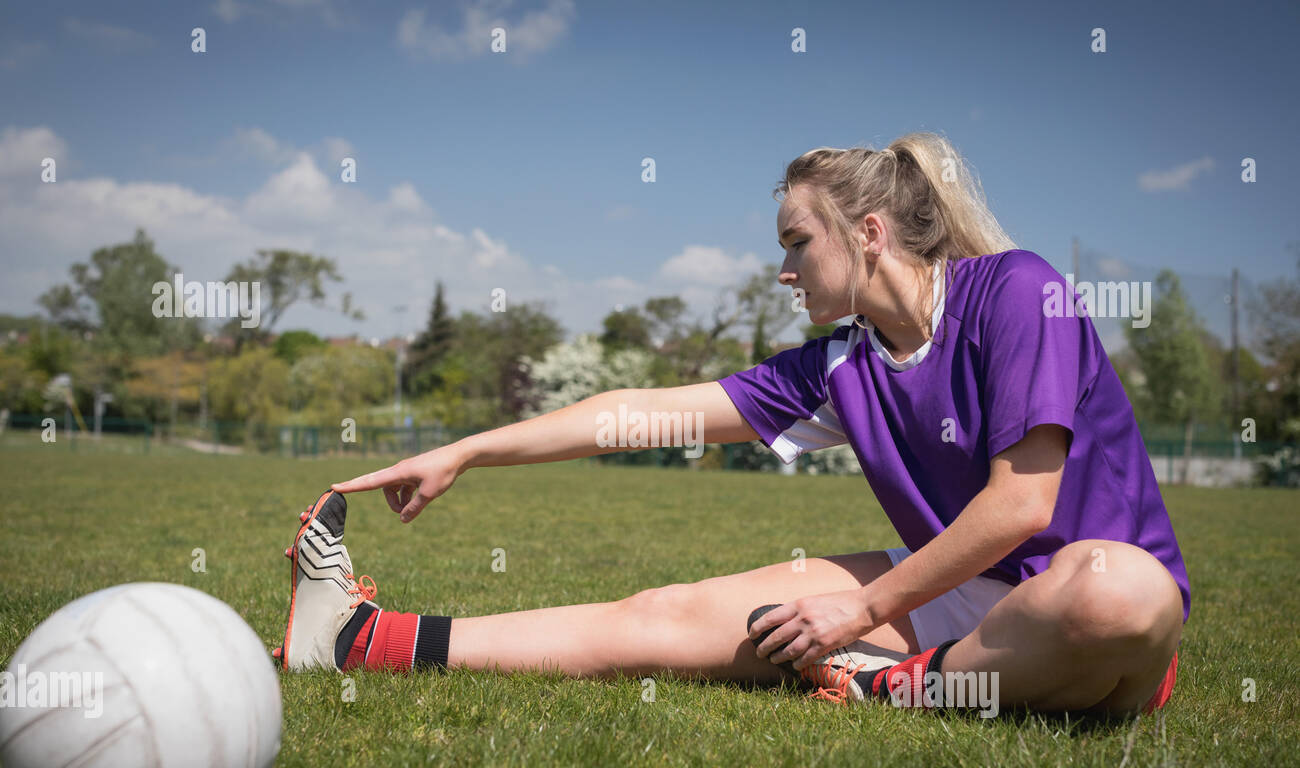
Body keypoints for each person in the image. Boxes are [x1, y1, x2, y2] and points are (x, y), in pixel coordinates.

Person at [275, 132, 1189, 718]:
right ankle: (364, 638)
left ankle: (893, 686)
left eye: (798, 242)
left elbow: (1023, 505)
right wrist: (470, 450)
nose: (783, 270)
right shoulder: (843, 362)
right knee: (662, 616)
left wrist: (863, 611)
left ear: (869, 233)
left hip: (1090, 622)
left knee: (1117, 590)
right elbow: (638, 417)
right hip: (956, 601)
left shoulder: (1020, 292)